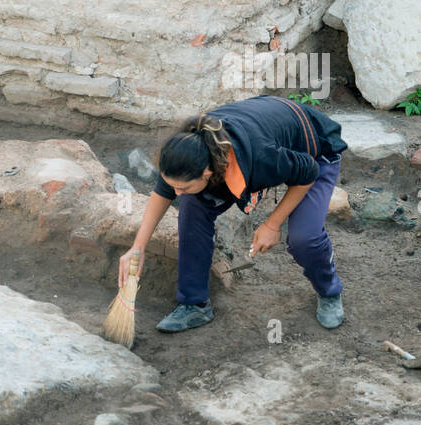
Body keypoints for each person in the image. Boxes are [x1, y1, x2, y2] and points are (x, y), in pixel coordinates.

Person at [119, 95, 349, 333]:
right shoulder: (186, 154)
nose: (176, 192)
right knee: (192, 207)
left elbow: (307, 172)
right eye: (175, 186)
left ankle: (329, 291)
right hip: (266, 133)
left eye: (183, 187)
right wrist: (138, 247)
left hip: (315, 151)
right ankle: (194, 304)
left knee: (304, 238)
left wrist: (272, 224)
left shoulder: (262, 158)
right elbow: (163, 191)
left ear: (208, 172)